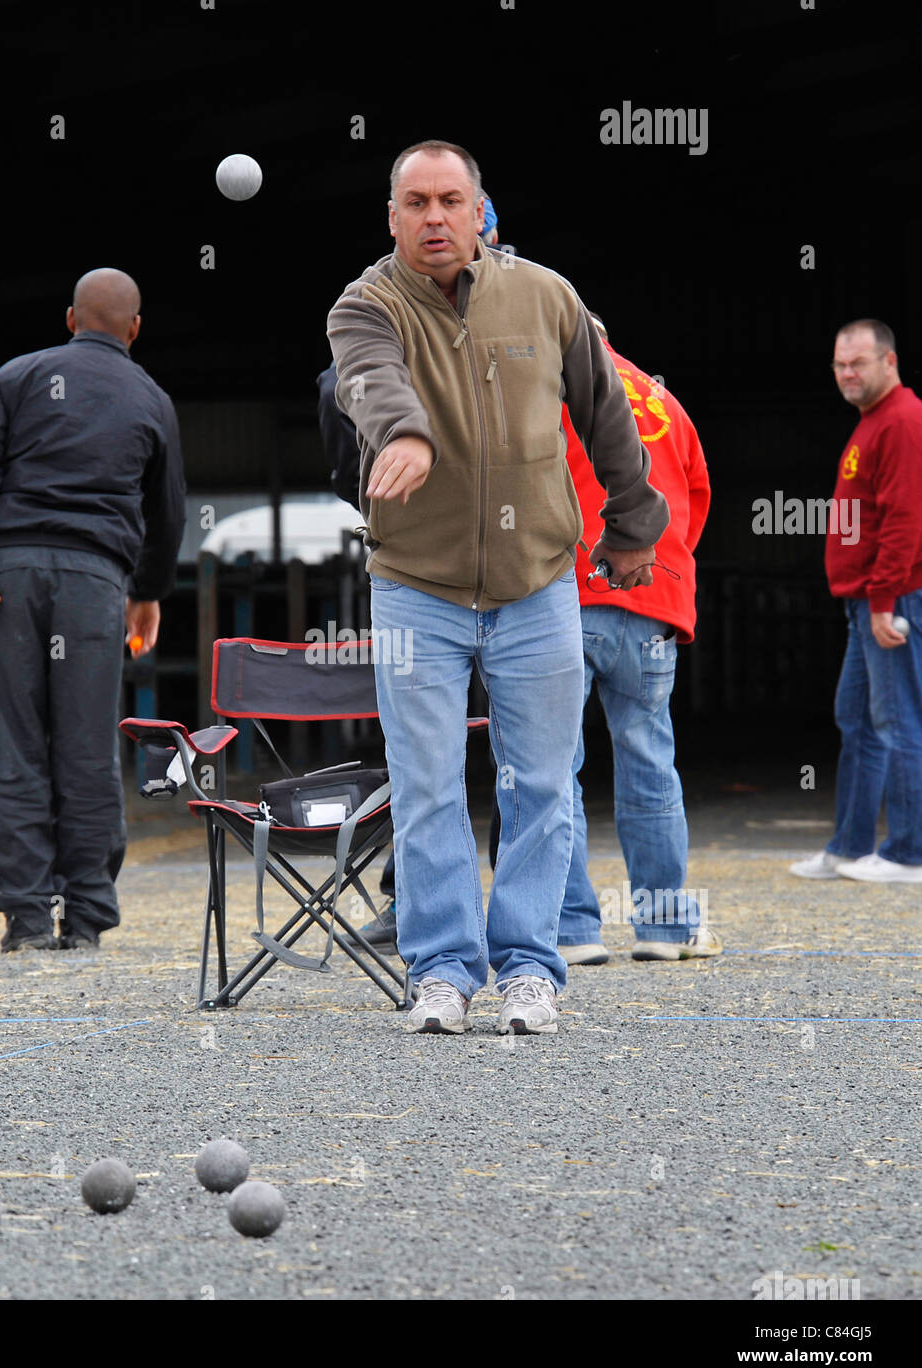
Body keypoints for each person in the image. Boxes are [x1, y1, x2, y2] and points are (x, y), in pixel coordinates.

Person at [327, 141, 669, 1035]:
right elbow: (370, 383)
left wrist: (635, 528)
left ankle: (529, 967)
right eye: (415, 203)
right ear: (391, 216)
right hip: (414, 588)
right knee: (427, 785)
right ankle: (441, 970)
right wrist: (403, 435)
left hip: (539, 584)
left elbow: (606, 412)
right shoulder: (364, 305)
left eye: (450, 200)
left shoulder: (546, 296)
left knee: (542, 784)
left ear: (479, 210)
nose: (433, 217)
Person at [0, 268, 187, 952]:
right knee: (85, 747)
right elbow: (167, 516)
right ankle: (85, 919)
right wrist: (148, 593)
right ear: (135, 329)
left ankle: (24, 919)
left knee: (10, 744)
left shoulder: (16, 377)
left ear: (69, 318)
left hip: (9, 578)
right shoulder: (151, 398)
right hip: (95, 581)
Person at [316, 194, 502, 955]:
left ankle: (527, 919)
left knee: (492, 756)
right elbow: (340, 399)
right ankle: (434, 913)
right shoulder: (377, 323)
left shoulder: (528, 317)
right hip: (431, 572)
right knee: (444, 754)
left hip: (509, 569)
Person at [555, 316, 718, 964]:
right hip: (651, 601)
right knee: (649, 762)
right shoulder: (662, 400)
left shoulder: (556, 387)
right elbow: (696, 499)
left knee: (552, 770)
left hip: (568, 595)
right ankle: (664, 928)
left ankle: (572, 932)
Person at [790, 319, 922, 884]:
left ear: (889, 362)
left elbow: (904, 519)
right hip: (867, 603)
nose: (847, 373)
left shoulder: (902, 422)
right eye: (840, 364)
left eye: (858, 363)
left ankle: (910, 853)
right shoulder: (874, 422)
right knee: (859, 722)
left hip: (889, 602)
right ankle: (850, 846)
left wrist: (884, 601)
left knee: (898, 723)